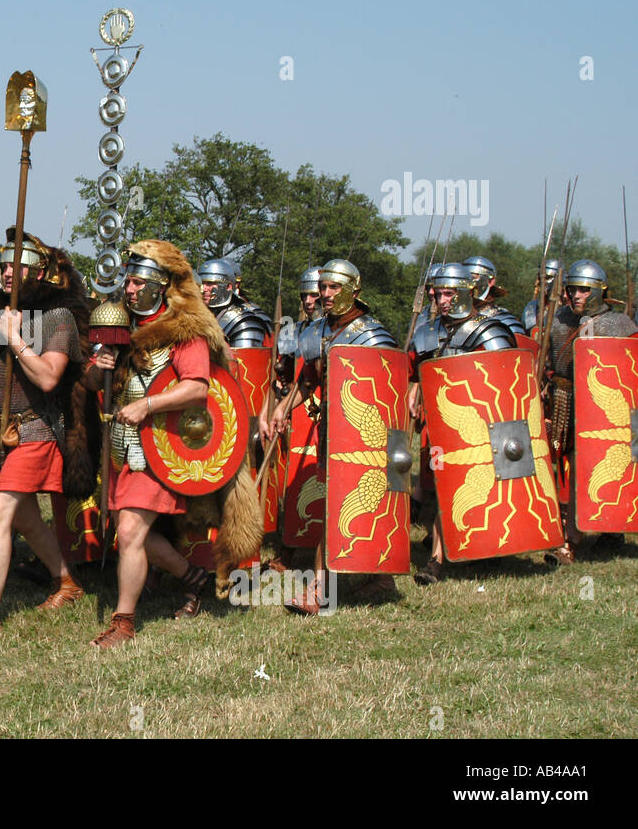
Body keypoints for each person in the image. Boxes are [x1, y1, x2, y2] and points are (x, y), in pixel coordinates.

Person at [88, 241, 260, 646]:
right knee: (130, 530)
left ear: (160, 286)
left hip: (162, 448)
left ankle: (124, 623)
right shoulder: (121, 326)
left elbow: (197, 390)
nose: (128, 289)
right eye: (127, 281)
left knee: (130, 531)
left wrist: (148, 405)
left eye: (136, 282)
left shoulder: (187, 332)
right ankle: (191, 577)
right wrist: (101, 369)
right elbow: (93, 384)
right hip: (123, 447)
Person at [0, 230, 97, 636]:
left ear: (38, 272)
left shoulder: (60, 318)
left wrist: (16, 338)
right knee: (25, 518)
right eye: (2, 265)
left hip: (35, 429)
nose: (6, 272)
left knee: (1, 513)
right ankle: (67, 581)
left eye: (15, 266)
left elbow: (49, 377)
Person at [261, 259, 398, 613]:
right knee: (336, 506)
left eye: (333, 288)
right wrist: (282, 408)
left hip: (364, 436)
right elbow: (307, 382)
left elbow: (384, 389)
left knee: (353, 507)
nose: (325, 294)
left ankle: (323, 592)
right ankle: (376, 579)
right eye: (322, 288)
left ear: (353, 289)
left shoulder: (372, 335)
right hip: (331, 434)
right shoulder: (317, 332)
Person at [406, 263, 516, 584]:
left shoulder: (489, 331)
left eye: (449, 293)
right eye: (438, 293)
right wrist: (413, 391)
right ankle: (436, 560)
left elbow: (505, 382)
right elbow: (413, 371)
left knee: (488, 490)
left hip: (484, 427)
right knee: (443, 488)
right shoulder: (428, 332)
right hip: (444, 426)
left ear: (466, 294)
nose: (441, 300)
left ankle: (493, 545)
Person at [544, 259, 638, 564]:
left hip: (604, 410)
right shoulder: (559, 320)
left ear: (599, 291)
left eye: (583, 290)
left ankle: (574, 540)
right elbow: (550, 363)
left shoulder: (620, 325)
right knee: (565, 464)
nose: (576, 296)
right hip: (564, 402)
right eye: (572, 289)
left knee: (603, 467)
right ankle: (571, 528)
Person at [196, 259, 273, 348]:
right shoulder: (194, 313)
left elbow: (245, 359)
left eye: (210, 283)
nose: (203, 289)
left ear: (229, 286)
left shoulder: (243, 322)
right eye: (201, 283)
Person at [463, 256, 529, 338]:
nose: (467, 283)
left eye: (473, 277)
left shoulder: (504, 321)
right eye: (463, 278)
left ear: (490, 281)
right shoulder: (451, 318)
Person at [522, 258, 562, 334]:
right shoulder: (530, 308)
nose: (539, 282)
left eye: (547, 278)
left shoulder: (562, 310)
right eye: (539, 278)